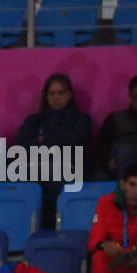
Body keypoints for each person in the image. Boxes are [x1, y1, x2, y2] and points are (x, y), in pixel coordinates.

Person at [15, 73, 94, 228]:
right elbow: (21, 145)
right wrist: (55, 142)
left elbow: (73, 141)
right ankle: (22, 228)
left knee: (52, 170)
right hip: (34, 166)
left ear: (69, 95)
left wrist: (42, 140)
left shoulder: (81, 119)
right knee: (14, 172)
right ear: (46, 96)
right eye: (52, 93)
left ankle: (58, 227)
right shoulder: (34, 120)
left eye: (61, 93)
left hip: (69, 168)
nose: (56, 97)